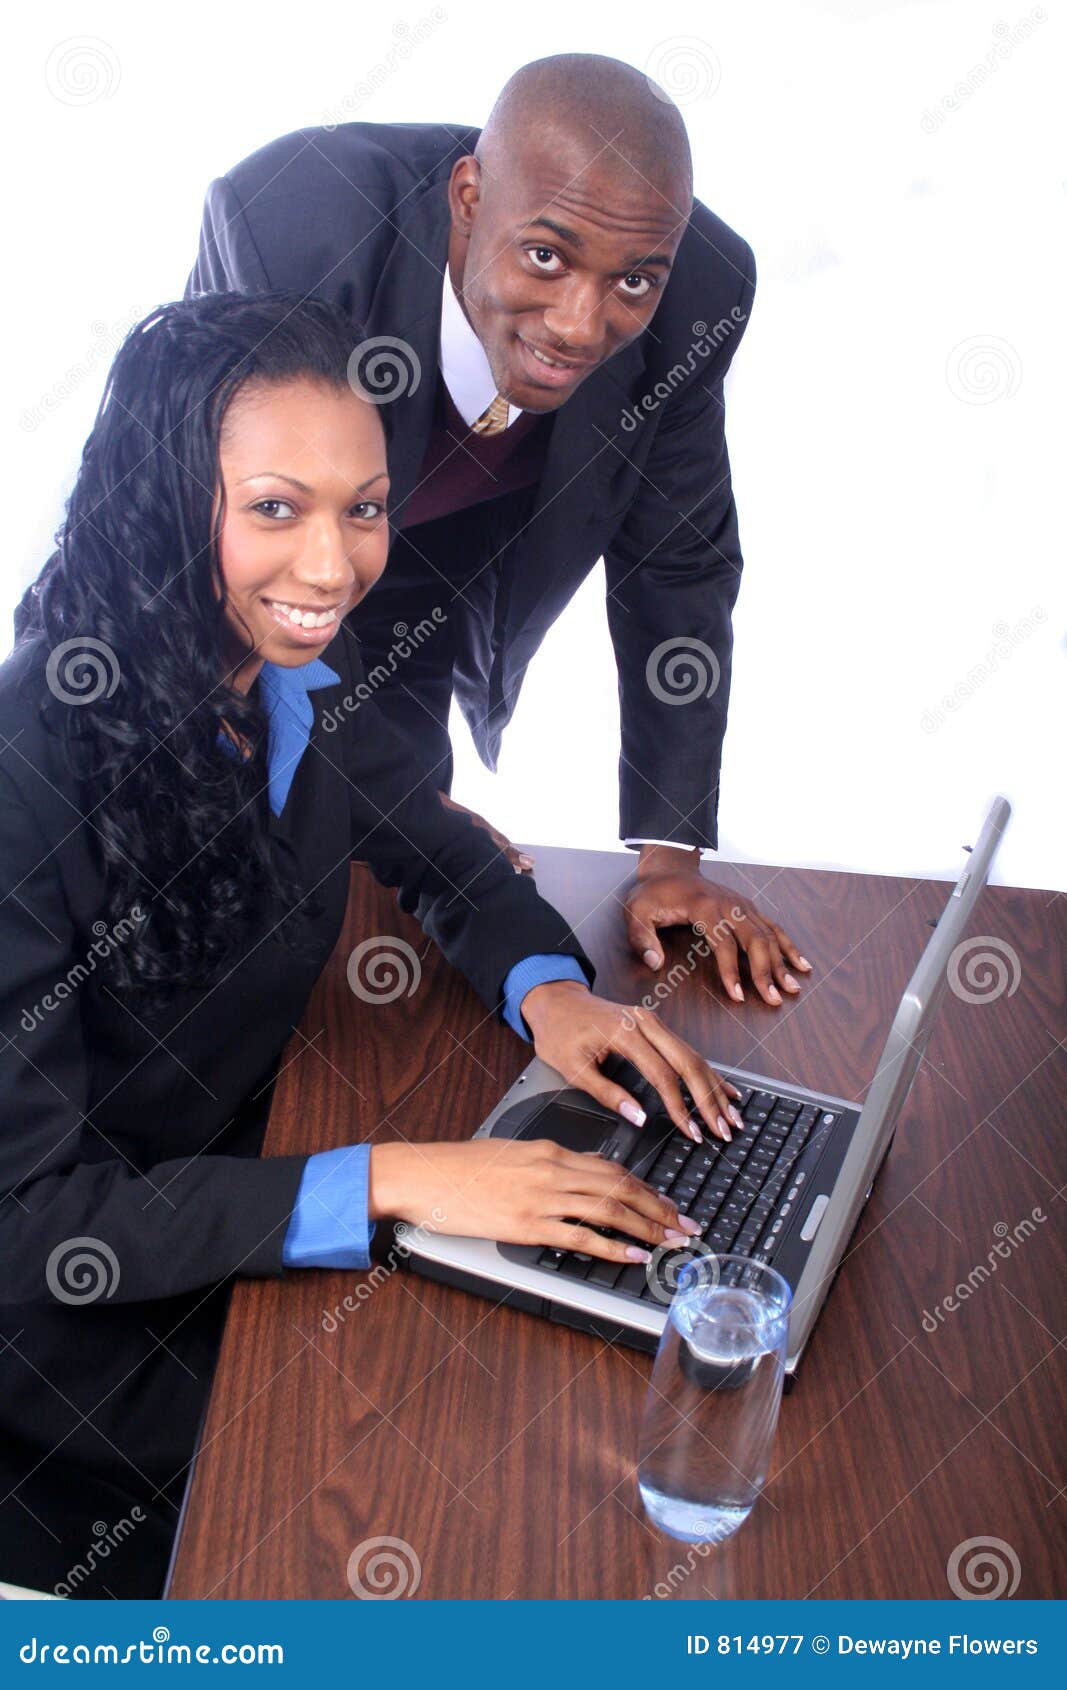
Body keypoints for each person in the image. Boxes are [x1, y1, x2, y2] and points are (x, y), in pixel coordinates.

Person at [0, 292, 744, 1599]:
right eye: (274, 507)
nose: (333, 565)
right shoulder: (28, 767)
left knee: (536, 1372)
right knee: (443, 1483)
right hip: (79, 1331)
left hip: (240, 1178)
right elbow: (28, 1218)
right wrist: (396, 1180)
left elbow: (442, 850)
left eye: (364, 507)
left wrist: (549, 993)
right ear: (162, 503)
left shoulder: (300, 682)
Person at [185, 51, 813, 1008]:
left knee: (381, 922)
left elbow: (677, 561)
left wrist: (668, 858)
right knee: (242, 857)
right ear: (469, 198)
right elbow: (237, 542)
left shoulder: (698, 290)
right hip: (247, 574)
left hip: (432, 571)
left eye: (631, 281)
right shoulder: (296, 231)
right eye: (546, 257)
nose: (579, 324)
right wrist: (406, 814)